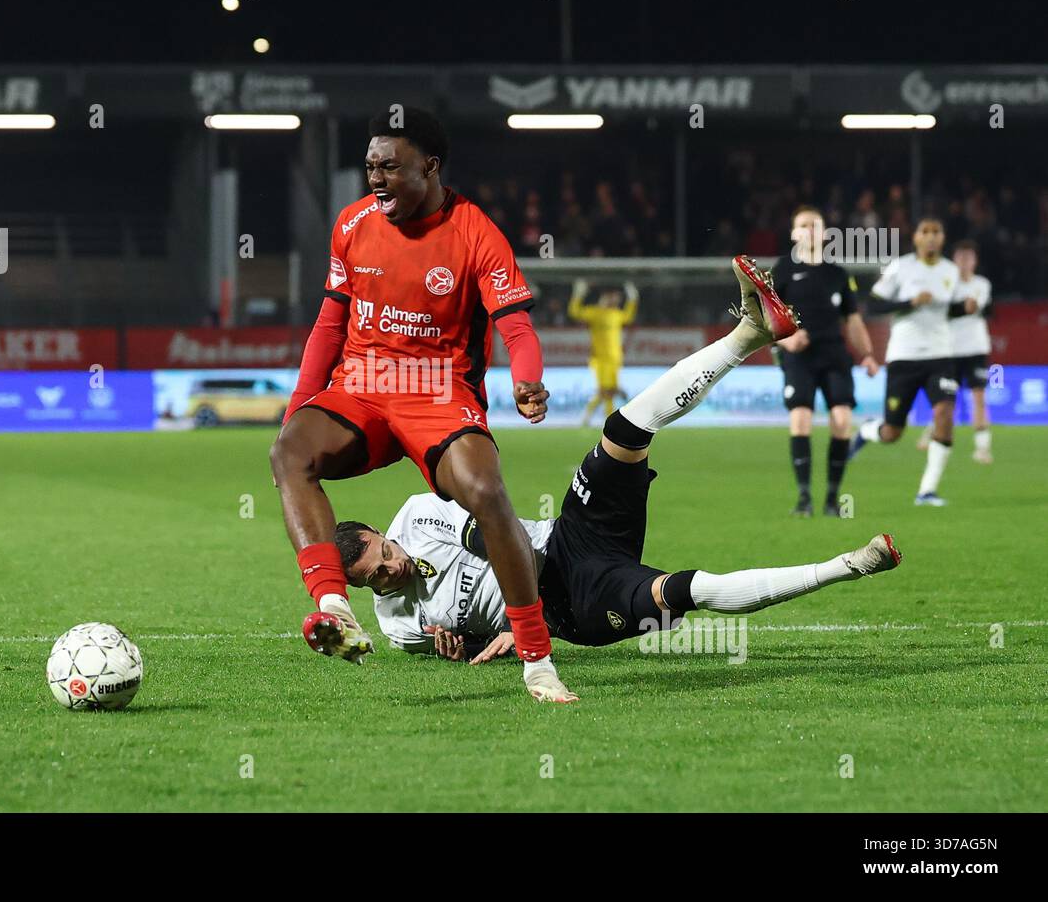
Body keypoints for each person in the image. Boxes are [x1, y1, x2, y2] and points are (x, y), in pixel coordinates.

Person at [331, 257, 902, 663]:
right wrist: (468, 649)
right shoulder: (398, 626)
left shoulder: (418, 513)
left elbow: (510, 543)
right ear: (362, 591)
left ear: (385, 533)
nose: (391, 569)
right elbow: (481, 649)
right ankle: (850, 565)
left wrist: (514, 614)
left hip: (565, 539)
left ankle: (751, 332)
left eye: (385, 554)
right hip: (574, 606)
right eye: (377, 577)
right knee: (689, 590)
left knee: (625, 429)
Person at [271, 108, 575, 704]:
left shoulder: (475, 232)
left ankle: (536, 659)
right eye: (369, 167)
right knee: (289, 454)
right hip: (362, 382)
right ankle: (334, 603)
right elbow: (329, 326)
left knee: (486, 495)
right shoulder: (354, 224)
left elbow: (516, 326)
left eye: (390, 167)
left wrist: (528, 380)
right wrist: (299, 412)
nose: (376, 179)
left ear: (430, 167)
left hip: (438, 389)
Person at [850, 219, 976, 506]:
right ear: (916, 238)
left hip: (940, 355)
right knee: (892, 433)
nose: (931, 237)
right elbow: (873, 305)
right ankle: (868, 430)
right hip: (903, 358)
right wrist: (909, 302)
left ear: (943, 239)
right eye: (925, 232)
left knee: (944, 414)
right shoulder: (901, 267)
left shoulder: (950, 271)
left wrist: (964, 309)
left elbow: (949, 309)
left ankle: (927, 491)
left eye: (937, 232)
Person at [772, 206, 880, 517]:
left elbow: (854, 321)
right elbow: (766, 319)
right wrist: (787, 339)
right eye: (803, 225)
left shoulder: (838, 275)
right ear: (794, 234)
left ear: (825, 234)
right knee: (801, 420)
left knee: (843, 421)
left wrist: (868, 355)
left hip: (834, 354)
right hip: (799, 357)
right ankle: (804, 498)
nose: (809, 230)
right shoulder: (782, 271)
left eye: (815, 225)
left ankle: (832, 498)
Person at [915, 240, 994, 463]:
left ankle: (982, 448)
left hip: (976, 349)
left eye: (969, 258)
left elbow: (983, 309)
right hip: (949, 349)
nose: (965, 263)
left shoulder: (982, 284)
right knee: (946, 400)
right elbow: (942, 310)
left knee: (978, 397)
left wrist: (971, 307)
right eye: (961, 258)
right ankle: (932, 432)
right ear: (954, 260)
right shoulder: (946, 283)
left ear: (975, 261)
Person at [569, 278, 638, 427]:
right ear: (604, 297)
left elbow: (629, 316)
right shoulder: (594, 312)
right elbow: (574, 312)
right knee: (605, 390)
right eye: (613, 296)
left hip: (615, 358)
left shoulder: (616, 314)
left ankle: (591, 417)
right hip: (599, 358)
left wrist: (633, 299)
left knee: (610, 391)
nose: (615, 299)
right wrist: (578, 294)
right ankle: (603, 418)